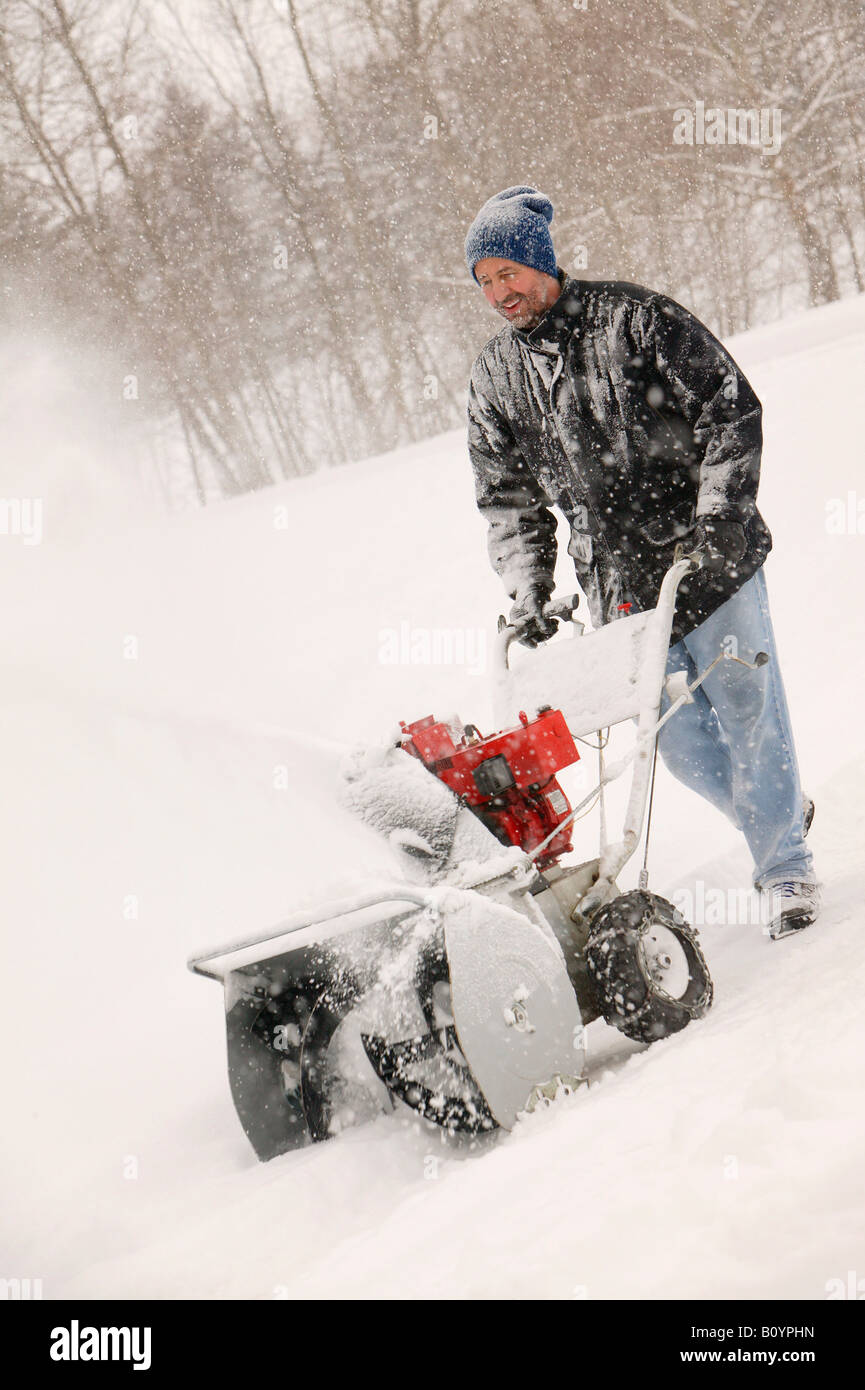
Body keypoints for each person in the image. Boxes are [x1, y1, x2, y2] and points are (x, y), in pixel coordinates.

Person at [464, 184, 819, 940]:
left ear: (540, 263)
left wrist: (717, 518)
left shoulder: (635, 319)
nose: (501, 293)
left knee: (752, 718)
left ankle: (783, 866)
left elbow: (728, 409)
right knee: (678, 745)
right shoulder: (497, 378)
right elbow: (507, 500)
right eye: (485, 282)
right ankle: (774, 810)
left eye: (509, 274)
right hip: (619, 585)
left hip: (709, 560)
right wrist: (529, 588)